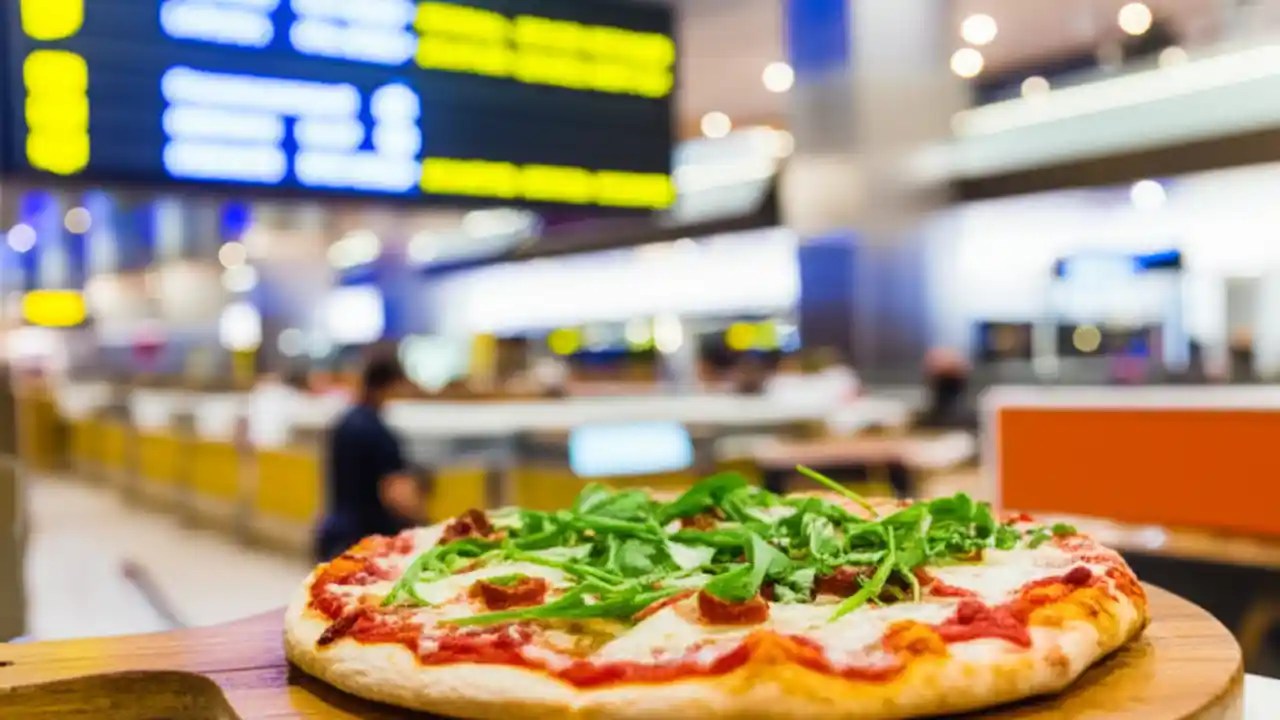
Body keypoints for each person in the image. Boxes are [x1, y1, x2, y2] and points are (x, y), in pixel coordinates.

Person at [315, 355, 423, 561]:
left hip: (336, 533)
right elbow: (396, 491)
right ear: (389, 386)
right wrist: (423, 524)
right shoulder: (378, 433)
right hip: (368, 541)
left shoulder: (344, 423)